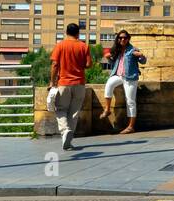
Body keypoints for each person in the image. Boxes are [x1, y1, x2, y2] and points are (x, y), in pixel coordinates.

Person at [49, 22, 91, 150]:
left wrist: (52, 82)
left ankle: (65, 130)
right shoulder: (84, 46)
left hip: (64, 83)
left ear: (66, 32)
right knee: (74, 113)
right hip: (79, 84)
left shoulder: (60, 45)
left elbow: (55, 65)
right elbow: (88, 64)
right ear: (78, 33)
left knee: (60, 109)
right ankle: (68, 140)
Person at [101, 29, 146, 134]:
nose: (122, 39)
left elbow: (143, 61)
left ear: (128, 39)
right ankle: (107, 109)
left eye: (125, 38)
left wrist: (141, 55)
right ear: (118, 39)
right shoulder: (117, 49)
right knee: (109, 84)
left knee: (130, 101)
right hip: (118, 75)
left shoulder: (133, 49)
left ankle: (131, 126)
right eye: (120, 38)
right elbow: (113, 62)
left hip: (130, 77)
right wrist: (108, 58)